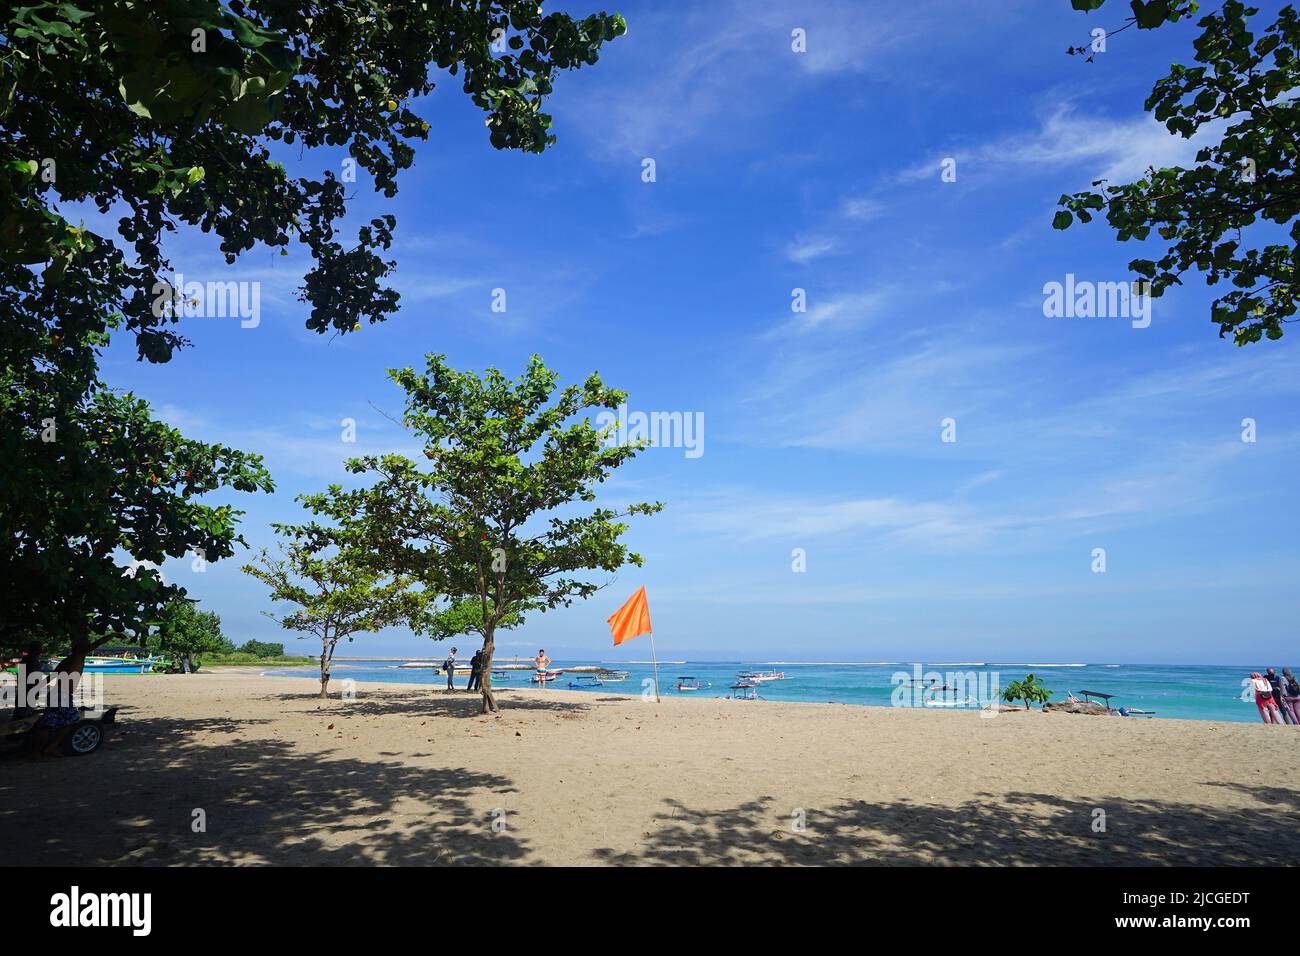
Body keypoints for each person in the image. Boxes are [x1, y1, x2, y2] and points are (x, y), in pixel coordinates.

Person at [27, 646, 87, 757]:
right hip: (61, 695)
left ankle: (44, 749)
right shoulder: (76, 657)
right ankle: (46, 748)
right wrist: (111, 636)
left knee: (55, 721)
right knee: (61, 721)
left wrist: (37, 686)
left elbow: (53, 675)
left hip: (60, 694)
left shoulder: (69, 660)